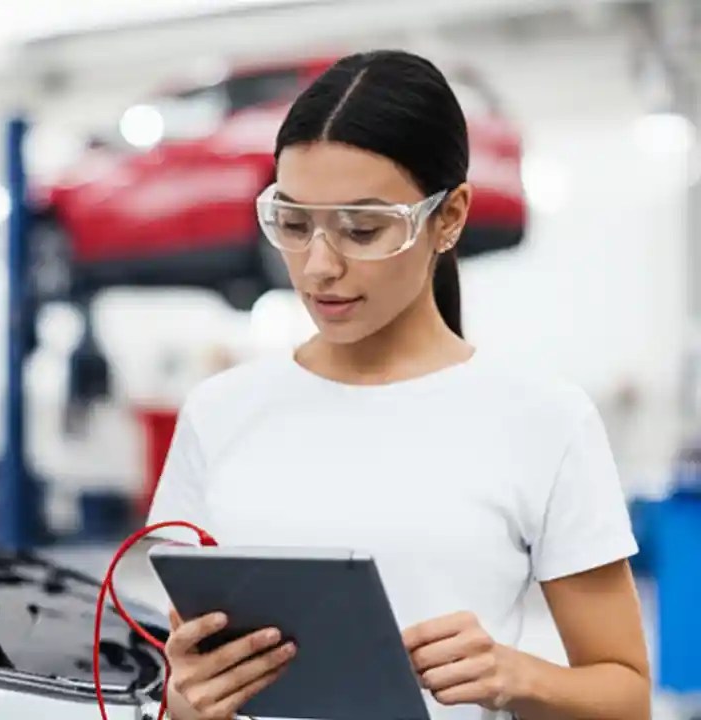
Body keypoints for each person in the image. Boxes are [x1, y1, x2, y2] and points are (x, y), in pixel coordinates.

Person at [141, 50, 650, 720]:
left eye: (362, 228)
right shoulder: (220, 413)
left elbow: (627, 698)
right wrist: (181, 704)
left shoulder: (542, 421)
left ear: (449, 217)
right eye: (294, 224)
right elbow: (189, 672)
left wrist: (516, 676)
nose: (319, 266)